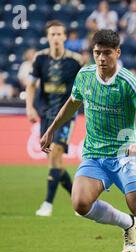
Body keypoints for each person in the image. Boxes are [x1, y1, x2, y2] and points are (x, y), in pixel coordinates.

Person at [40, 29, 136, 252]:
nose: (101, 58)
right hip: (94, 154)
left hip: (125, 155)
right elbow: (73, 103)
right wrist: (52, 128)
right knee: (80, 203)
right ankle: (127, 224)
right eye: (97, 53)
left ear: (117, 52)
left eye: (107, 53)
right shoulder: (84, 76)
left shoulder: (132, 84)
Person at [26, 20, 83, 216]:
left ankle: (47, 204)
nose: (56, 38)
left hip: (67, 114)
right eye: (53, 34)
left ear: (65, 37)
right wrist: (30, 108)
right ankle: (80, 197)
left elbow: (85, 87)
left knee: (56, 152)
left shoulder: (75, 61)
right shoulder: (39, 58)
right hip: (46, 113)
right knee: (54, 160)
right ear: (48, 37)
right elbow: (31, 85)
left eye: (59, 34)